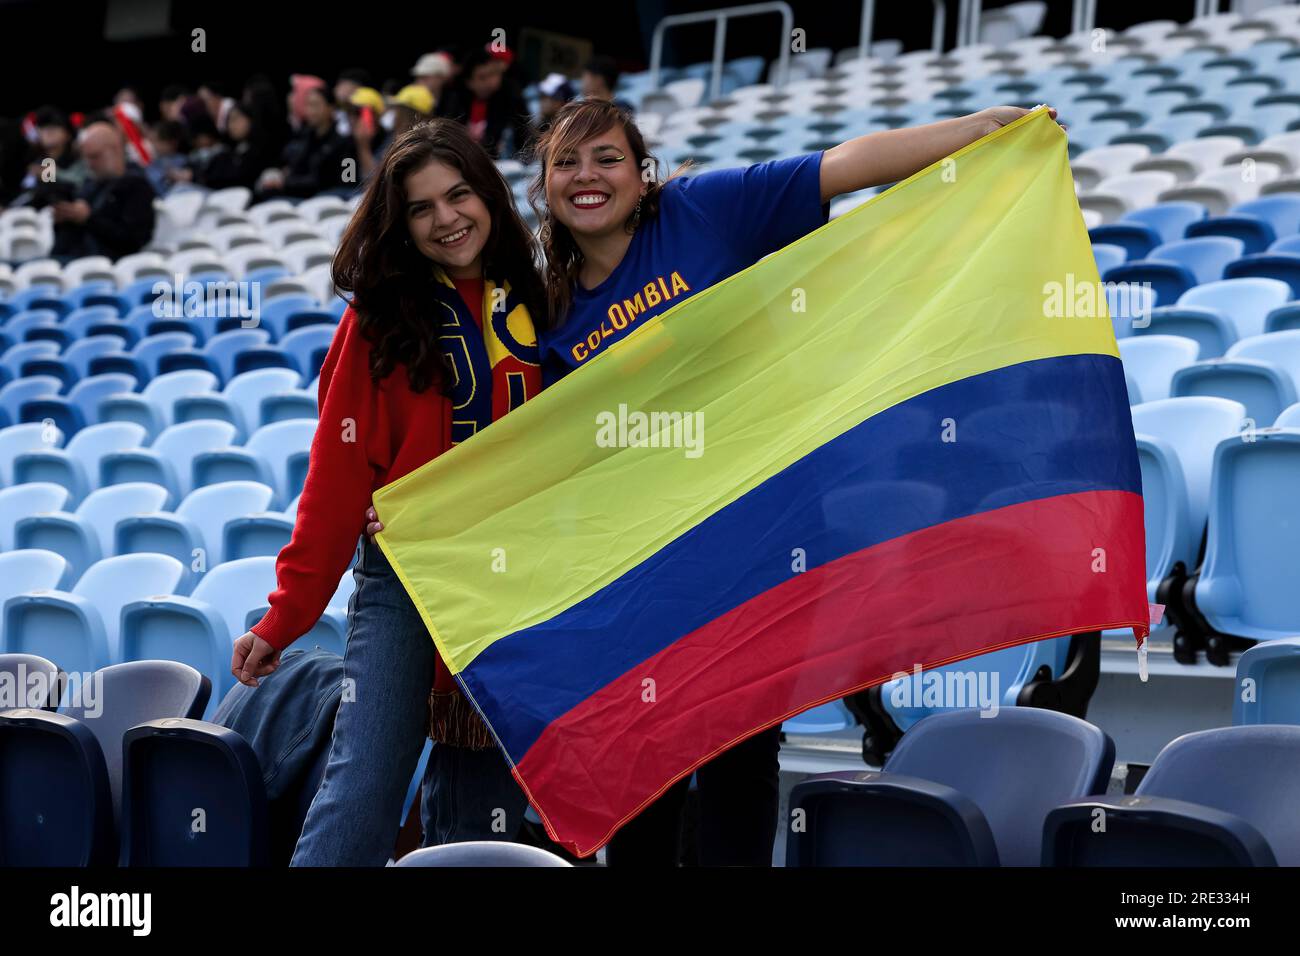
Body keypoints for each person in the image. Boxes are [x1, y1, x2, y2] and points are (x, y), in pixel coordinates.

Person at [525, 98, 1062, 864]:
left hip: (760, 539)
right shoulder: (545, 308)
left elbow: (844, 164)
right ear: (544, 185)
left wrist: (979, 129)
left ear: (642, 177)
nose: (587, 177)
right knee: (643, 765)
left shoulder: (705, 211)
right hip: (641, 566)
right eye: (566, 163)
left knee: (739, 758)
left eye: (607, 158)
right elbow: (530, 451)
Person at [231, 119, 545, 865]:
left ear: (489, 195)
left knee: (484, 800)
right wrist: (286, 617)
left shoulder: (539, 296)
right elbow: (337, 482)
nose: (446, 219)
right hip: (408, 576)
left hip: (517, 577)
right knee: (363, 792)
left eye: (459, 195)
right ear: (398, 224)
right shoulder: (379, 319)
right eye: (421, 208)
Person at [50, 120, 155, 262]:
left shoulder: (136, 186)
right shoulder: (88, 186)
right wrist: (64, 219)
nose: (89, 164)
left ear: (116, 151)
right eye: (86, 157)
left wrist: (89, 219)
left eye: (95, 157)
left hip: (109, 265)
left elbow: (132, 241)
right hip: (74, 260)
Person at [258, 85, 355, 199]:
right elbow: (294, 169)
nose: (310, 111)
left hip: (330, 200)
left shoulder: (346, 143)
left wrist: (285, 184)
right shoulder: (303, 140)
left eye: (315, 105)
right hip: (300, 197)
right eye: (308, 105)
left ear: (331, 108)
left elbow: (349, 182)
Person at [435, 46, 531, 159]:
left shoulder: (512, 95)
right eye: (482, 78)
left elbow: (523, 133)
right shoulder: (454, 98)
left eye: (493, 74)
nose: (491, 82)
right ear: (469, 82)